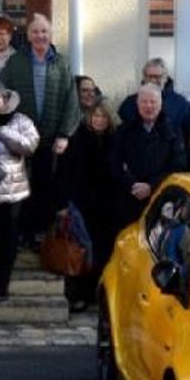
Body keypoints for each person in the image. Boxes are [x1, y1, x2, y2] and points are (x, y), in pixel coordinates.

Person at [0, 13, 80, 240]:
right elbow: (2, 95)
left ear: (50, 34)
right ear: (28, 35)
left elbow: (71, 100)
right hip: (21, 140)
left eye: (44, 31)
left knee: (44, 188)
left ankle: (39, 235)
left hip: (51, 139)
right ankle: (20, 234)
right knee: (20, 189)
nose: (40, 35)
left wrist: (64, 134)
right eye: (35, 31)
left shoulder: (62, 63)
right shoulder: (15, 62)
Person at [0, 79, 39, 301]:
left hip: (12, 192)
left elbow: (30, 145)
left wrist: (4, 133)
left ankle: (2, 287)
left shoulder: (20, 120)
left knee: (8, 242)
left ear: (4, 99)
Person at [56, 96, 119, 310]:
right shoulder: (77, 138)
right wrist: (63, 204)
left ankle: (99, 295)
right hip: (80, 203)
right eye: (96, 115)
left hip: (108, 204)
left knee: (104, 251)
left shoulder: (116, 139)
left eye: (103, 116)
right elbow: (64, 174)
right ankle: (79, 295)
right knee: (82, 250)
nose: (99, 120)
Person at [109, 83, 186, 227]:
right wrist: (133, 185)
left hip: (161, 203)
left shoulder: (173, 131)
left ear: (161, 104)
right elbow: (114, 163)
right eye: (144, 102)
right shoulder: (124, 130)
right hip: (128, 203)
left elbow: (178, 165)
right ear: (137, 103)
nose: (148, 106)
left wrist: (151, 186)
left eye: (153, 102)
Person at [117, 58, 190, 140]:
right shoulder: (129, 103)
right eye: (149, 76)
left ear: (165, 78)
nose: (153, 80)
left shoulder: (181, 104)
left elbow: (189, 134)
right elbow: (120, 132)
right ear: (144, 77)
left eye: (158, 77)